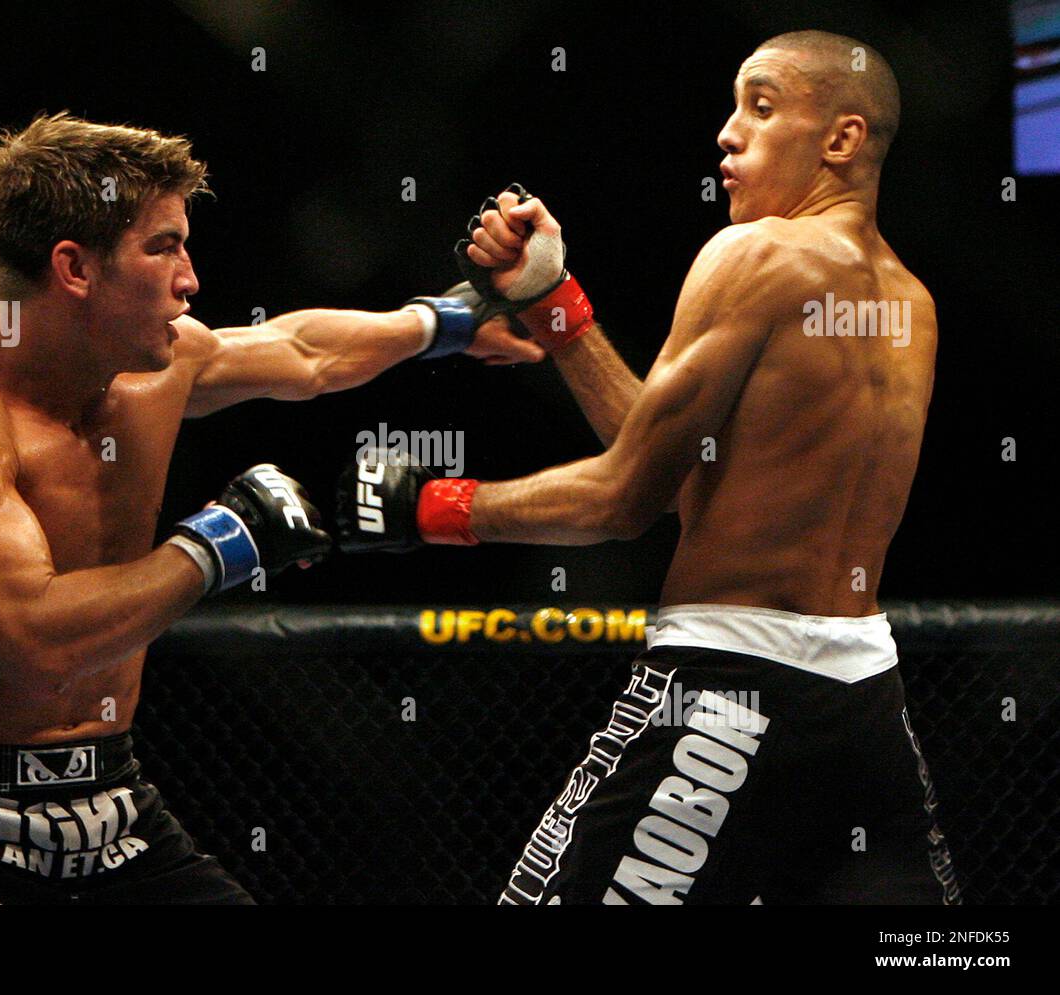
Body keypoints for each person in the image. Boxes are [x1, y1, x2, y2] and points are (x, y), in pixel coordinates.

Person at [0, 112, 542, 905]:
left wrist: (446, 321)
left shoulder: (160, 370)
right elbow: (32, 642)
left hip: (115, 809)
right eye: (163, 245)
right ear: (75, 268)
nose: (190, 277)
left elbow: (305, 352)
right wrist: (216, 545)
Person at [336, 31, 961, 905]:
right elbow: (681, 473)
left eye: (763, 105)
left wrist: (432, 505)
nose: (727, 132)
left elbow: (625, 499)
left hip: (728, 685)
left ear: (842, 139)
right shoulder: (911, 303)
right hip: (861, 691)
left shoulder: (757, 254)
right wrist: (556, 305)